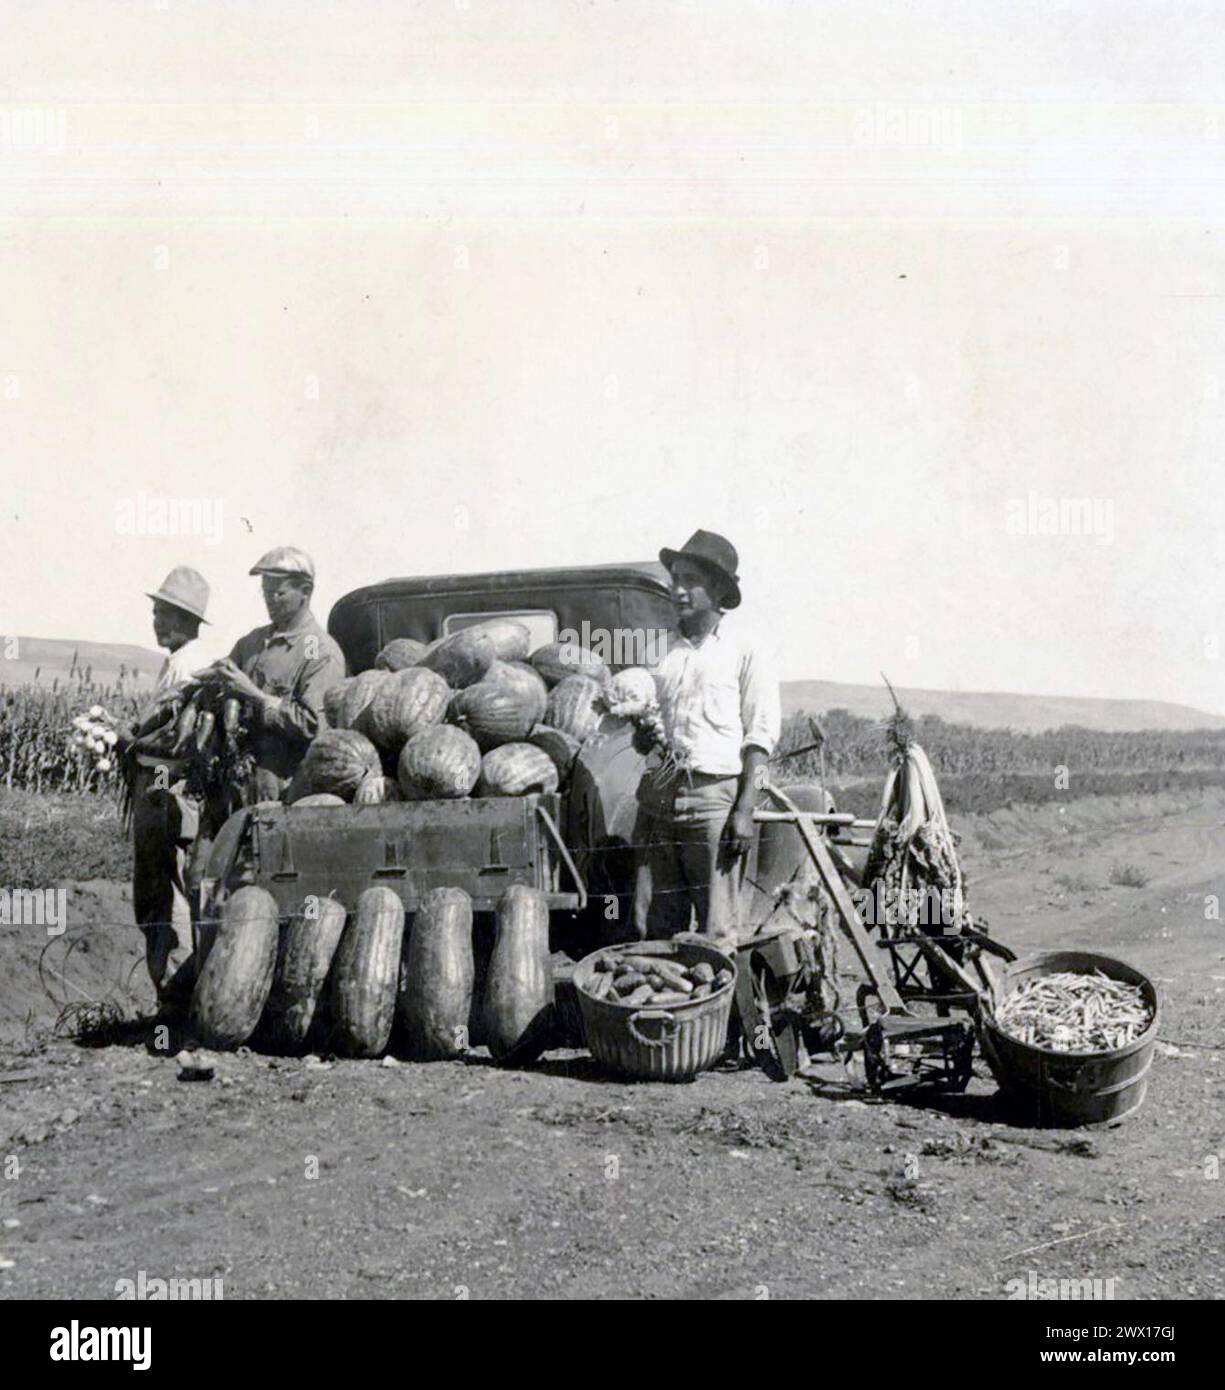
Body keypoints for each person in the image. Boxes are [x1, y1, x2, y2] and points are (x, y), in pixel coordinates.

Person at [632, 530, 781, 951]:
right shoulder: (660, 651)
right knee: (653, 927)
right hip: (657, 797)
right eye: (674, 578)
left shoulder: (746, 650)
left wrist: (745, 810)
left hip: (713, 799)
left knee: (717, 931)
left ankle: (719, 1017)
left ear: (718, 588)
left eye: (689, 580)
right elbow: (646, 740)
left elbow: (761, 739)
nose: (677, 589)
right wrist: (644, 734)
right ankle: (663, 1015)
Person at [116, 566, 212, 1018]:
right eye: (155, 613)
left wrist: (128, 742)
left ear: (184, 617)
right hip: (162, 786)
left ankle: (174, 999)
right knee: (161, 888)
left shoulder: (187, 663)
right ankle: (171, 995)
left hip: (165, 786)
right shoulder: (178, 659)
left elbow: (179, 741)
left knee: (164, 890)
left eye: (162, 614)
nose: (155, 622)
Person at [204, 546, 346, 802]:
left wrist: (255, 696)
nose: (269, 600)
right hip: (234, 786)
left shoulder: (318, 649)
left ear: (306, 592)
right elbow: (220, 679)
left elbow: (315, 727)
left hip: (281, 794)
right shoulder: (251, 643)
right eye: (265, 592)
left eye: (278, 593)